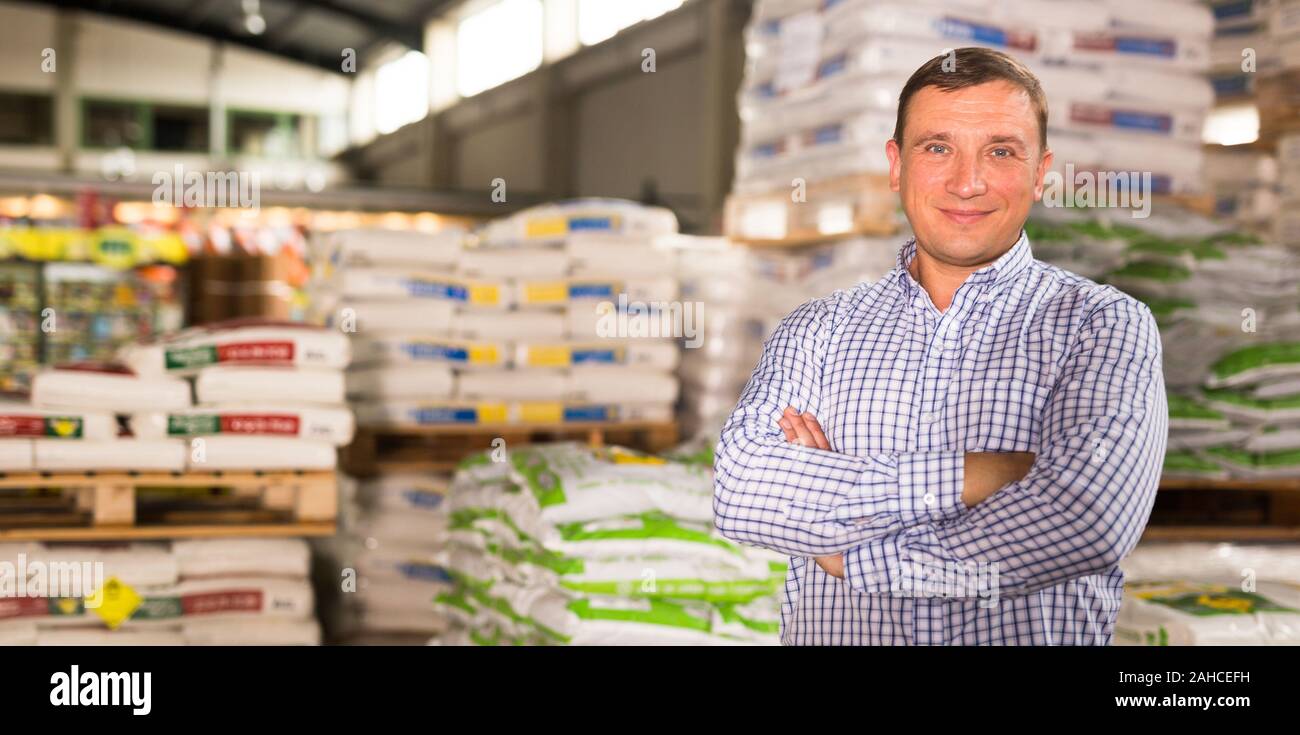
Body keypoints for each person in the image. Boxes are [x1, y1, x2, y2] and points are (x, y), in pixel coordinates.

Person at [712, 47, 1168, 645]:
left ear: (1040, 171)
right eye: (938, 148)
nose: (967, 182)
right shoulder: (816, 329)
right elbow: (743, 488)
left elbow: (1085, 519)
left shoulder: (1103, 326)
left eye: (1000, 151)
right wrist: (976, 477)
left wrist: (854, 550)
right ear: (896, 165)